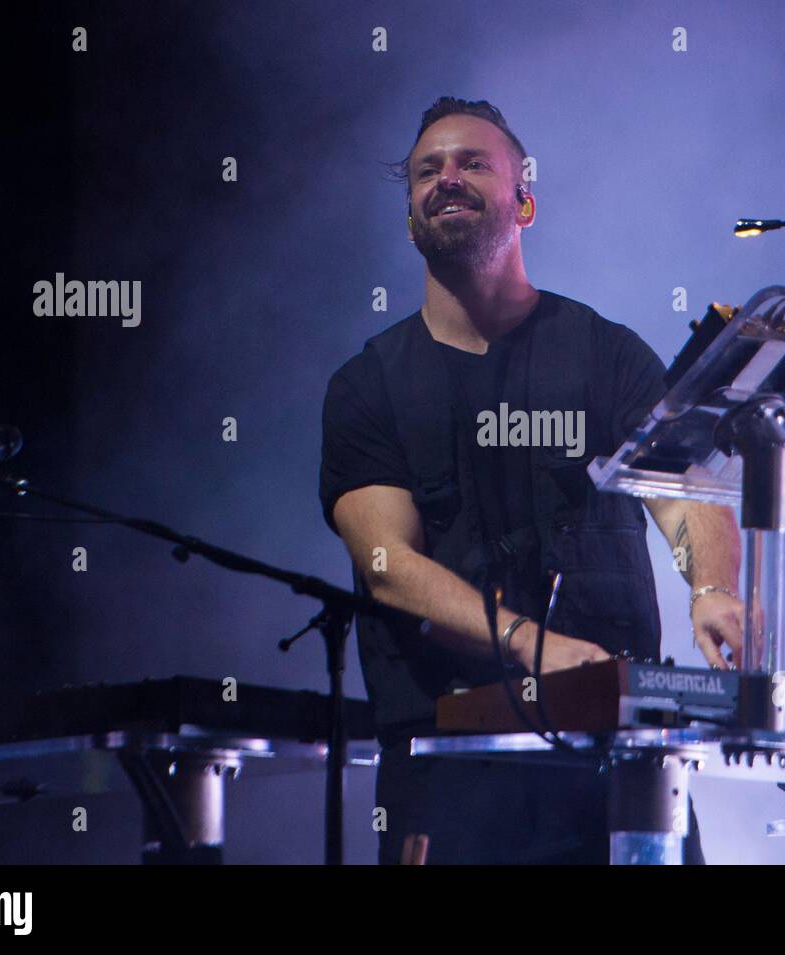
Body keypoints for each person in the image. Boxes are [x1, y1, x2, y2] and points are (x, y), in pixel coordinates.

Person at [319, 97, 745, 864]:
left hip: (616, 765)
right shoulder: (366, 385)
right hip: (445, 773)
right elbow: (388, 567)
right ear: (410, 219)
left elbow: (686, 494)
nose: (447, 177)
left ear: (525, 201)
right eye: (427, 170)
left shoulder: (607, 354)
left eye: (473, 162)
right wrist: (529, 643)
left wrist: (710, 585)